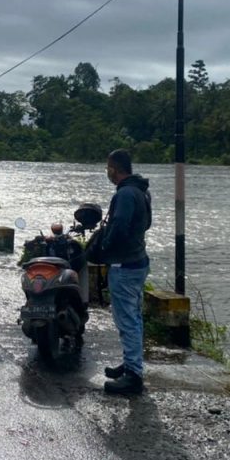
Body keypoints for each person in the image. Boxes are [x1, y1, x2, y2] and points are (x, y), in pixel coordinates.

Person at [98, 149, 152, 396]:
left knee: (126, 319)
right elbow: (146, 224)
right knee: (135, 317)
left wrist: (105, 247)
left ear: (115, 168)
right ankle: (132, 364)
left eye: (109, 167)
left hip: (124, 265)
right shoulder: (141, 191)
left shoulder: (126, 194)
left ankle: (133, 376)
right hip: (138, 260)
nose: (107, 172)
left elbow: (118, 226)